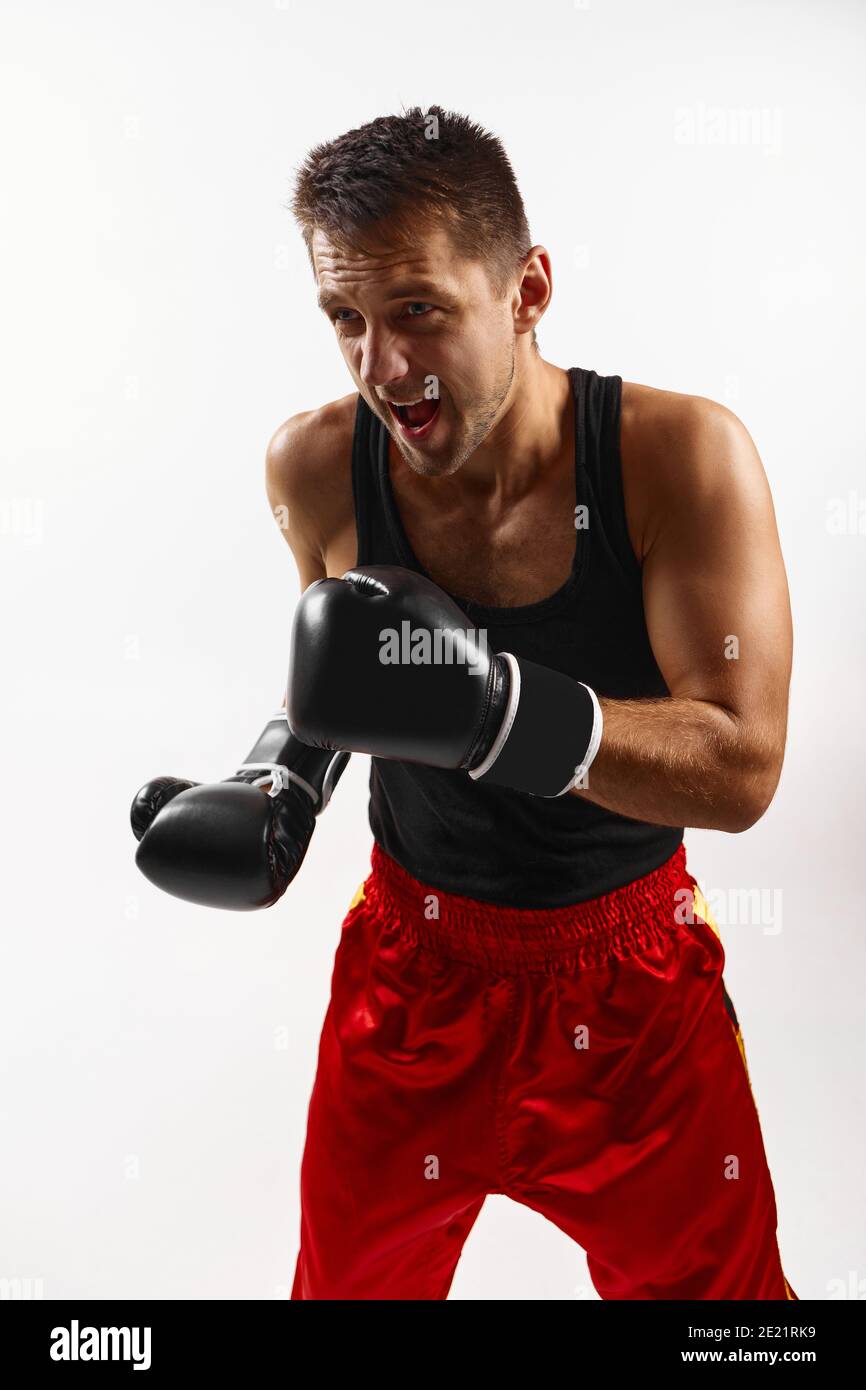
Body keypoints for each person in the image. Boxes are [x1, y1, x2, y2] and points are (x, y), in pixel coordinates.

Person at [137, 104, 798, 1300]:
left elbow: (740, 764)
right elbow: (348, 667)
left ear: (528, 288)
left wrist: (496, 710)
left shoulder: (674, 458)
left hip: (632, 997)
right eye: (345, 318)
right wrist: (279, 774)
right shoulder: (311, 464)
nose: (380, 367)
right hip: (410, 976)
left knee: (728, 1320)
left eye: (417, 311)